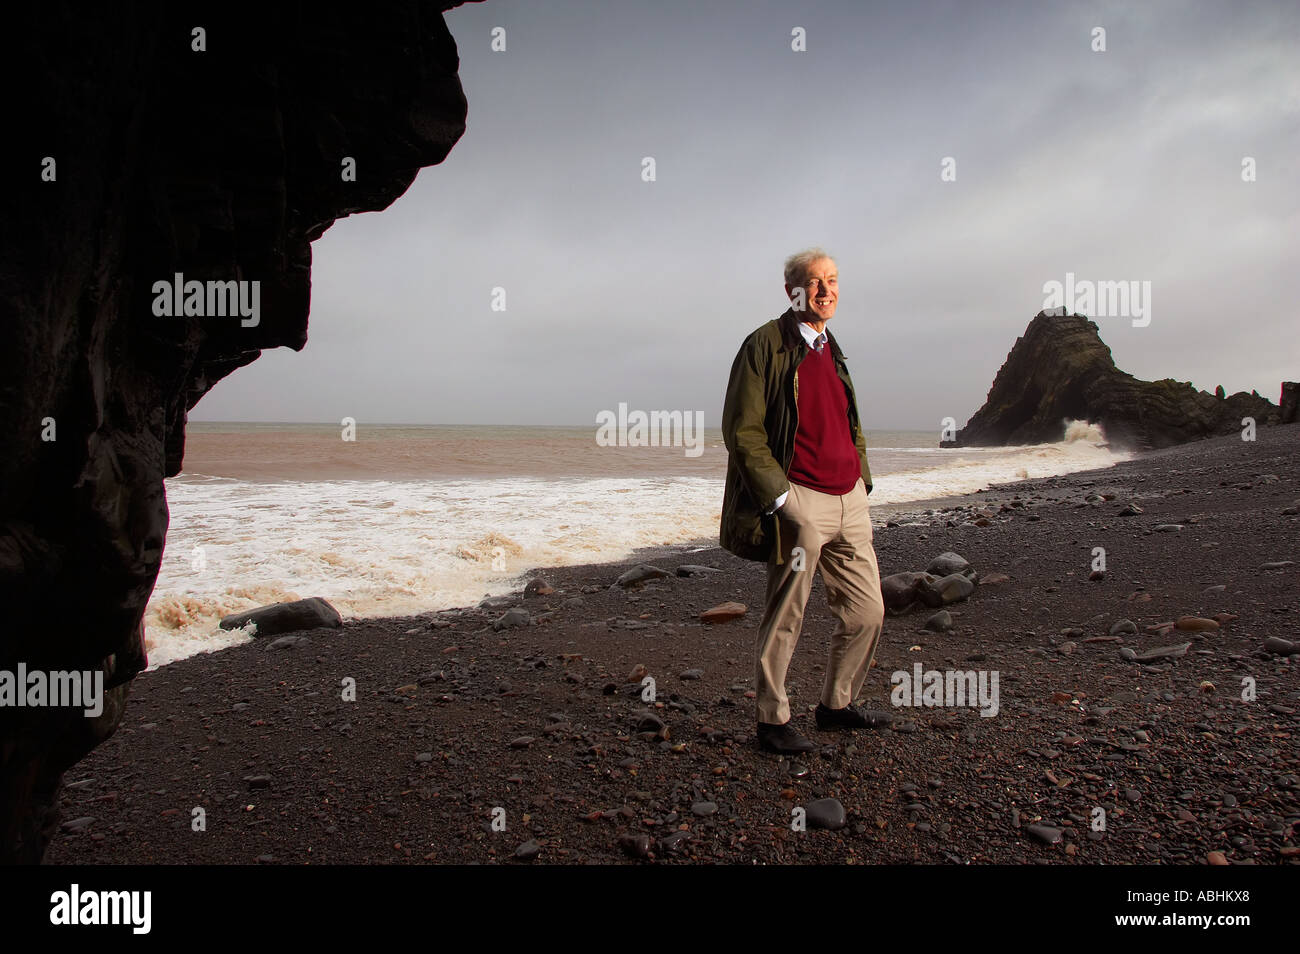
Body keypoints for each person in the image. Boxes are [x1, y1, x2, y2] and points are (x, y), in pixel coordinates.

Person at [719, 248, 886, 754]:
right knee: (787, 612)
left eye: (832, 280)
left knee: (868, 612)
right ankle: (772, 721)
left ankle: (835, 706)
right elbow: (742, 430)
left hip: (849, 500)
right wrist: (779, 498)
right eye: (814, 282)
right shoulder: (764, 345)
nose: (825, 290)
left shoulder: (833, 348)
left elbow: (846, 423)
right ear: (791, 290)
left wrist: (862, 479)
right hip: (801, 501)